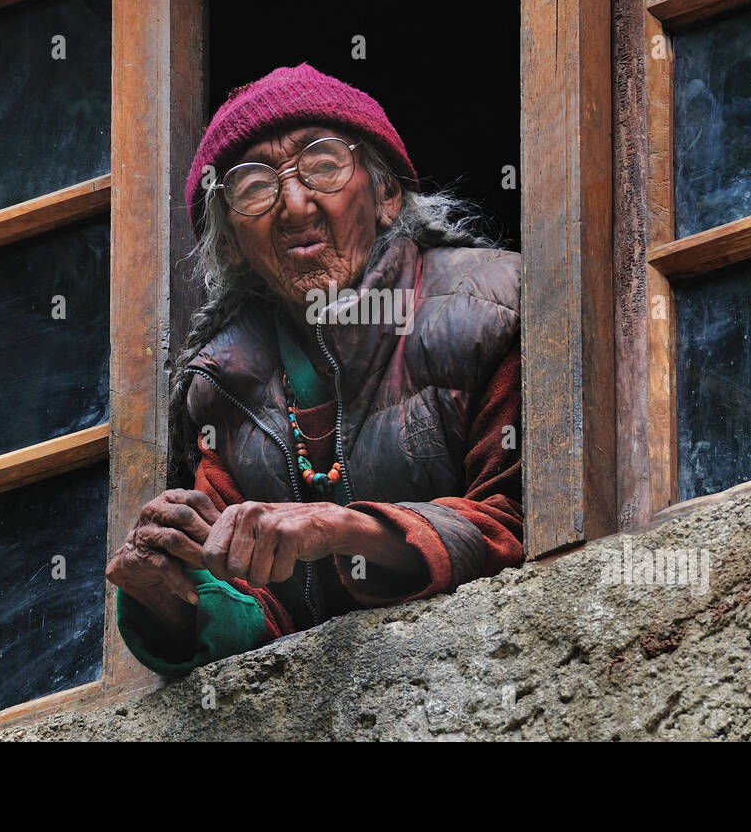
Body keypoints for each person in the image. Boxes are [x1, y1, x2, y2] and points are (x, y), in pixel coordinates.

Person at [106, 63, 523, 677]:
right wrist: (169, 590)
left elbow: (523, 526)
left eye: (323, 165)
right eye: (254, 188)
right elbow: (257, 615)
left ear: (386, 196)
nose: (295, 206)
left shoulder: (490, 307)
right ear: (231, 243)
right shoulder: (224, 387)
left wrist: (342, 530)